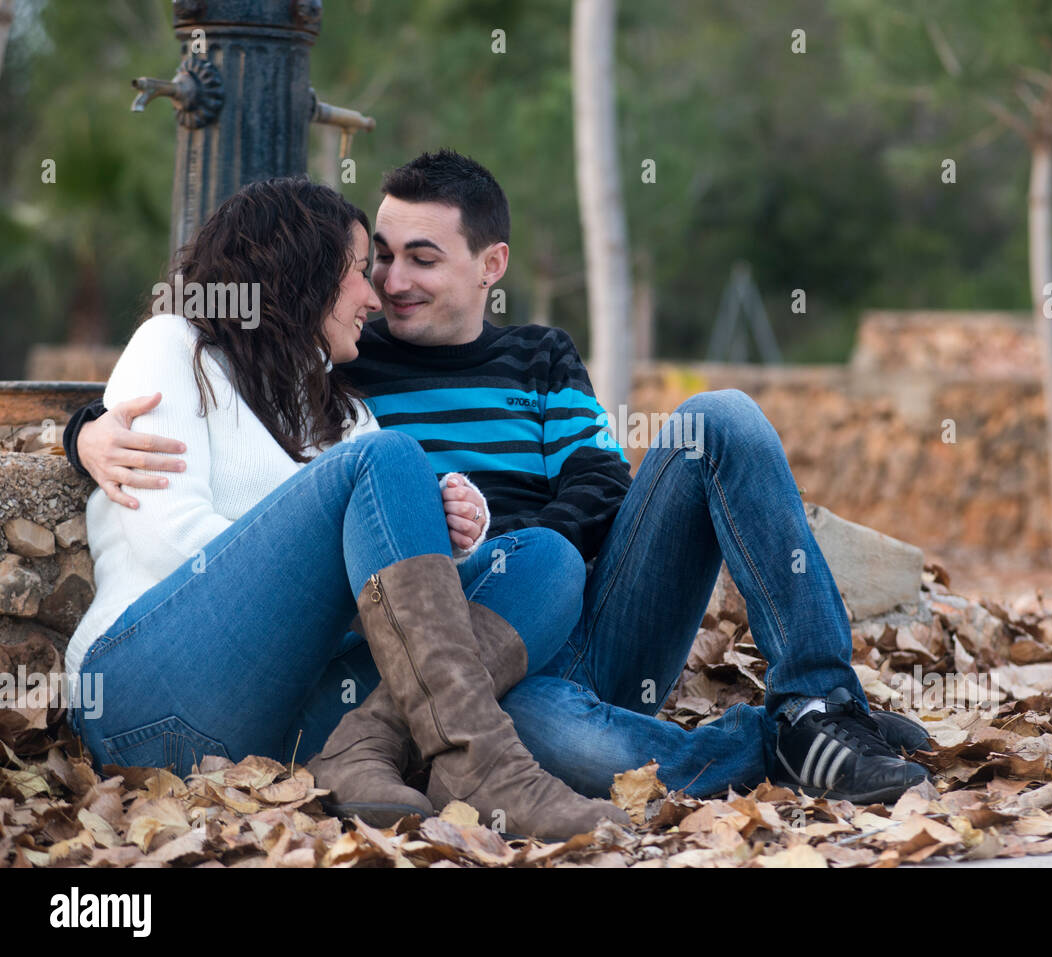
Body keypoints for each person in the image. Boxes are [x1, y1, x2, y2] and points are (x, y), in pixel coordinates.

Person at [68, 150, 932, 813]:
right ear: (307, 280)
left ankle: (818, 704)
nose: (388, 284)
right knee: (576, 749)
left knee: (712, 426)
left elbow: (602, 483)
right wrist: (81, 434)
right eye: (377, 262)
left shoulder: (529, 359)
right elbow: (239, 489)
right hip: (454, 669)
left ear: (491, 265)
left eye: (421, 259)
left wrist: (487, 533)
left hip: (551, 608)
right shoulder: (354, 375)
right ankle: (767, 746)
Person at [63, 176, 626, 840]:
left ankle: (366, 749)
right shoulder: (174, 348)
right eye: (360, 270)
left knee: (546, 560)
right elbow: (171, 545)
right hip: (152, 699)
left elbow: (396, 608)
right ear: (299, 275)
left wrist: (435, 535)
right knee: (390, 459)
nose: (376, 292)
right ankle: (482, 764)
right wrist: (343, 544)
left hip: (282, 734)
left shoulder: (346, 409)